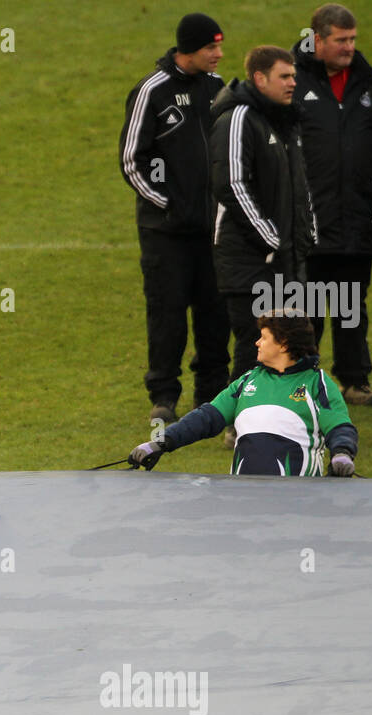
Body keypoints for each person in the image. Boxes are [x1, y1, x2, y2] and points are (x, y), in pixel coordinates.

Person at [119, 12, 230, 425]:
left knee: (214, 312)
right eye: (211, 48)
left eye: (219, 46)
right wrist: (167, 203)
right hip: (165, 232)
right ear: (188, 50)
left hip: (212, 230)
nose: (219, 54)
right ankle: (164, 394)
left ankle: (213, 394)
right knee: (167, 312)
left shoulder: (220, 89)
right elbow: (132, 159)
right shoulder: (152, 90)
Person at [211, 45, 317, 445]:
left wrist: (305, 236)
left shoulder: (285, 122)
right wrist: (271, 239)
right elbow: (231, 185)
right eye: (285, 76)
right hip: (249, 259)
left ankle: (290, 417)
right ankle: (237, 424)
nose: (293, 82)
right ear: (260, 78)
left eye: (294, 75)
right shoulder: (238, 118)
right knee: (253, 341)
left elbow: (299, 186)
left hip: (286, 255)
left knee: (292, 336)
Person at [292, 4, 372, 405]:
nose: (349, 47)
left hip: (356, 218)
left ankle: (354, 381)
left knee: (352, 306)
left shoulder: (369, 88)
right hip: (309, 220)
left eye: (352, 39)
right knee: (307, 308)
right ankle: (304, 384)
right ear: (317, 40)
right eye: (340, 40)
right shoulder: (293, 81)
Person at [129, 310, 358, 475]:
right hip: (242, 501)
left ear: (284, 344)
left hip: (298, 502)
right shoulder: (247, 381)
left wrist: (342, 453)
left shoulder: (317, 384)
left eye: (264, 338)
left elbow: (339, 426)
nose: (257, 343)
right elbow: (205, 418)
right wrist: (160, 442)